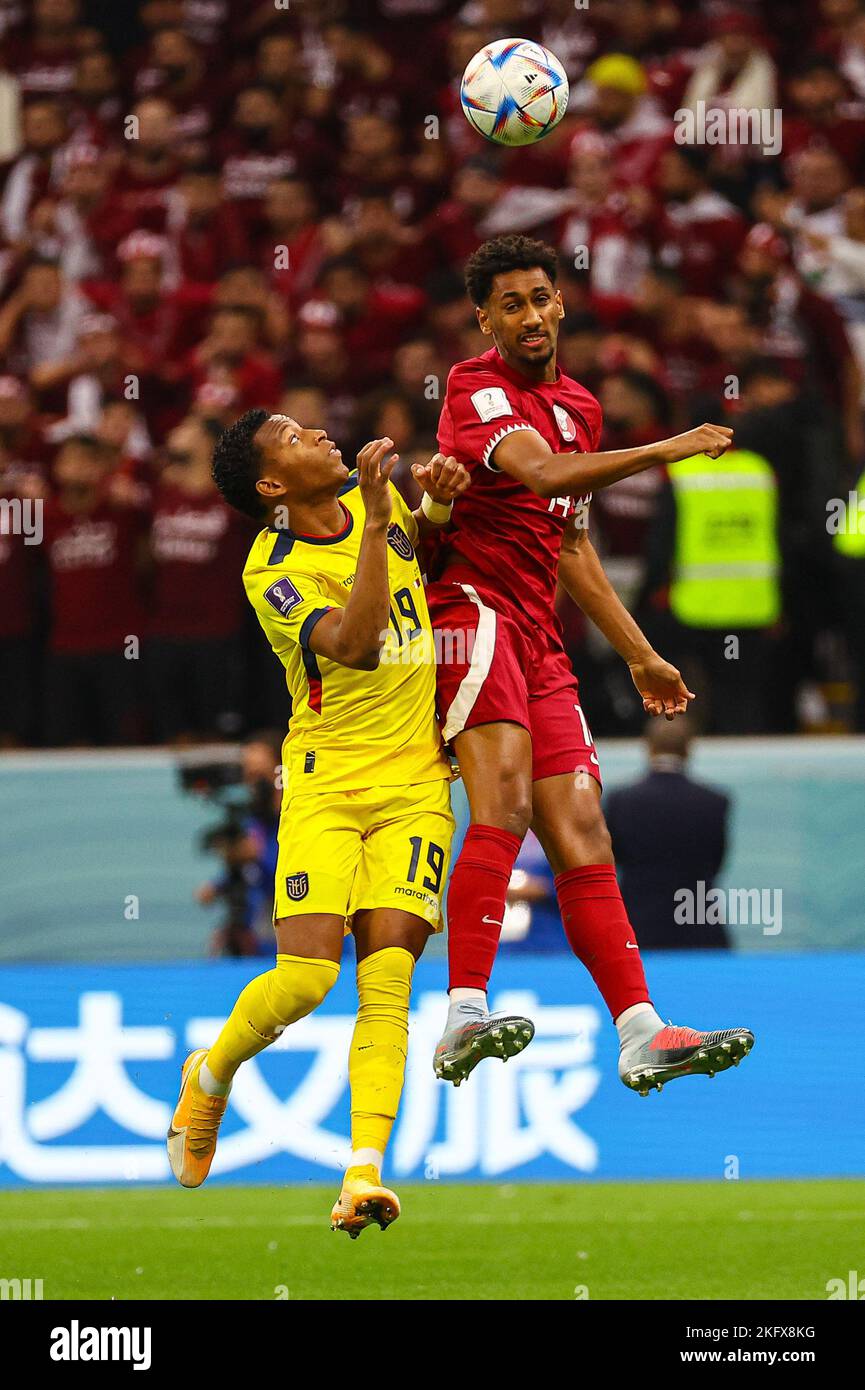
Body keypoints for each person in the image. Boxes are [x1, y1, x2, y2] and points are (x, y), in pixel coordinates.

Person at [424, 233, 754, 1095]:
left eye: (541, 298)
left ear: (560, 303)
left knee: (581, 830)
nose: (530, 316)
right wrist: (664, 448)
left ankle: (640, 1031)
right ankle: (462, 1011)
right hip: (471, 615)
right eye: (510, 305)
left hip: (540, 637)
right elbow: (539, 477)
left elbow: (568, 542)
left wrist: (640, 654)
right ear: (484, 318)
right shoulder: (474, 389)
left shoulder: (579, 405)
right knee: (500, 803)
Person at [167, 408, 473, 1237]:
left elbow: (428, 562)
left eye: (310, 427)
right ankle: (212, 1074)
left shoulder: (387, 511)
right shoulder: (271, 571)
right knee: (308, 980)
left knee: (387, 982)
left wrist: (435, 506)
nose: (321, 436)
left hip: (416, 780)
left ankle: (362, 1174)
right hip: (325, 785)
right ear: (272, 485)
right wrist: (381, 518)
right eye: (296, 440)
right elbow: (361, 643)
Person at [605, 718, 731, 950]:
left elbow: (614, 859)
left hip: (638, 926)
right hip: (698, 925)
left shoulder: (620, 801)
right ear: (688, 748)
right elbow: (716, 861)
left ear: (649, 747)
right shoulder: (714, 802)